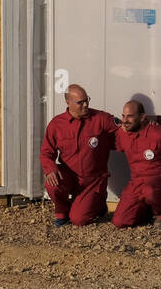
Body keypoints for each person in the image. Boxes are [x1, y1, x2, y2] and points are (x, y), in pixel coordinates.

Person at [38, 84, 116, 226]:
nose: (85, 104)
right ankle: (62, 213)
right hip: (70, 175)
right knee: (52, 183)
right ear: (68, 103)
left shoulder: (101, 118)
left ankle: (98, 206)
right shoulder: (57, 124)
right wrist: (50, 169)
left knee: (79, 220)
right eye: (80, 102)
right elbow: (46, 153)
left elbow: (125, 132)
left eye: (87, 100)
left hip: (93, 180)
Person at [112, 99, 161, 228]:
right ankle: (147, 211)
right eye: (123, 116)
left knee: (150, 191)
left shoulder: (158, 133)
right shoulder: (122, 133)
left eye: (130, 116)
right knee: (120, 222)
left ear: (142, 117)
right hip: (136, 183)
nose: (125, 120)